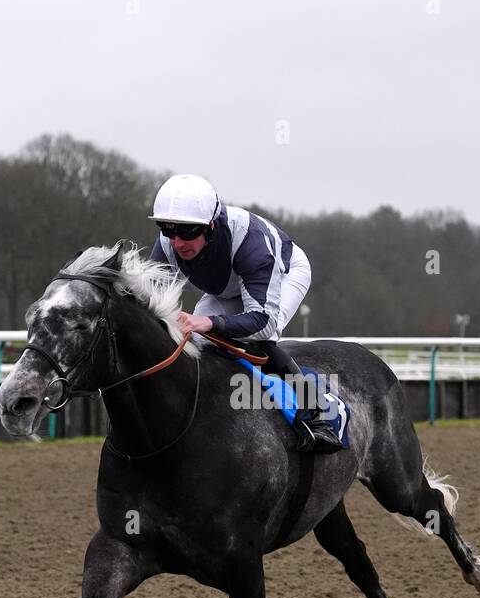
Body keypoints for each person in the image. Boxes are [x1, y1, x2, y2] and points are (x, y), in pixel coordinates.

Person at [147, 174, 343, 453]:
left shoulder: (252, 245)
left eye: (188, 232)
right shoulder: (168, 243)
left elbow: (262, 321)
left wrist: (209, 321)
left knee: (261, 340)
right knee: (199, 343)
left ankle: (318, 415)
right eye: (168, 229)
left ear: (211, 226)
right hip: (230, 287)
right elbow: (148, 302)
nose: (178, 242)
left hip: (285, 274)